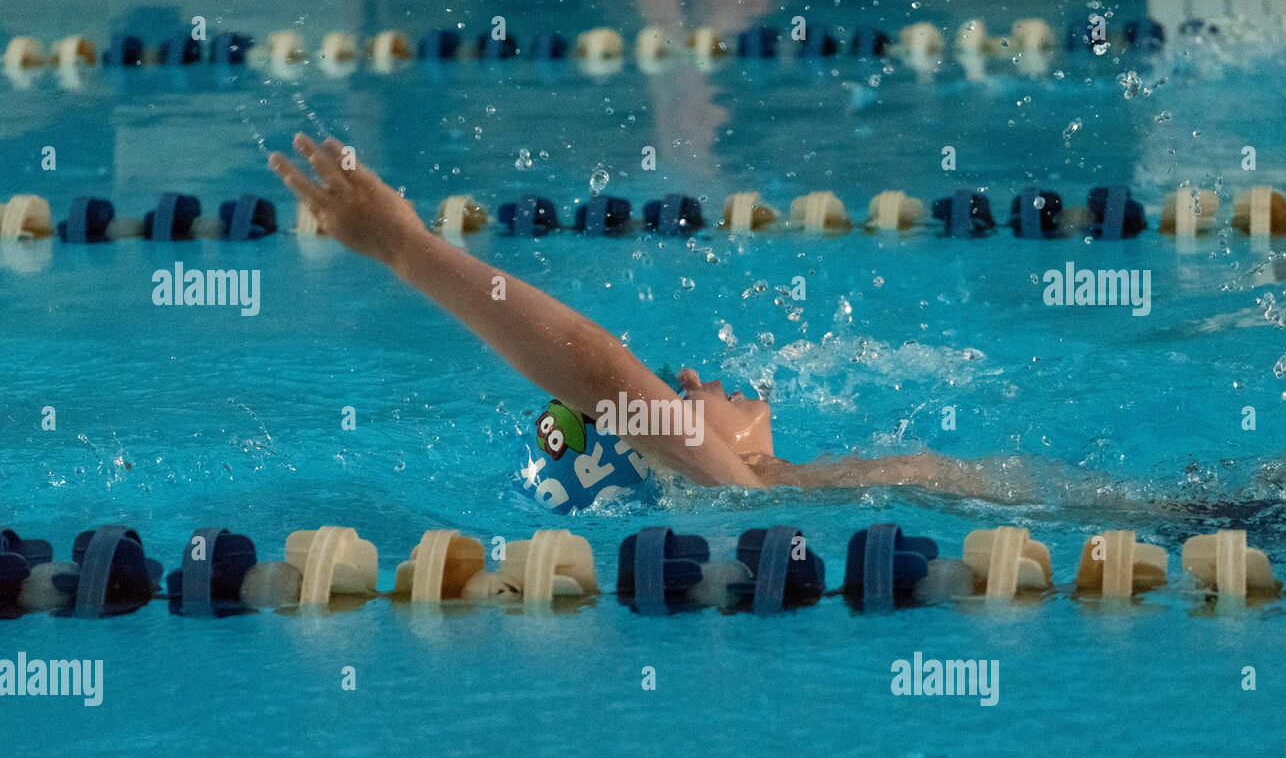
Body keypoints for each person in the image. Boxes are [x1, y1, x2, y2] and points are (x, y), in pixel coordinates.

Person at [269, 133, 1036, 504]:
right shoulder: (729, 485)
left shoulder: (774, 484)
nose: (692, 378)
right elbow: (599, 370)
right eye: (673, 398)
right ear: (644, 448)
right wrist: (406, 247)